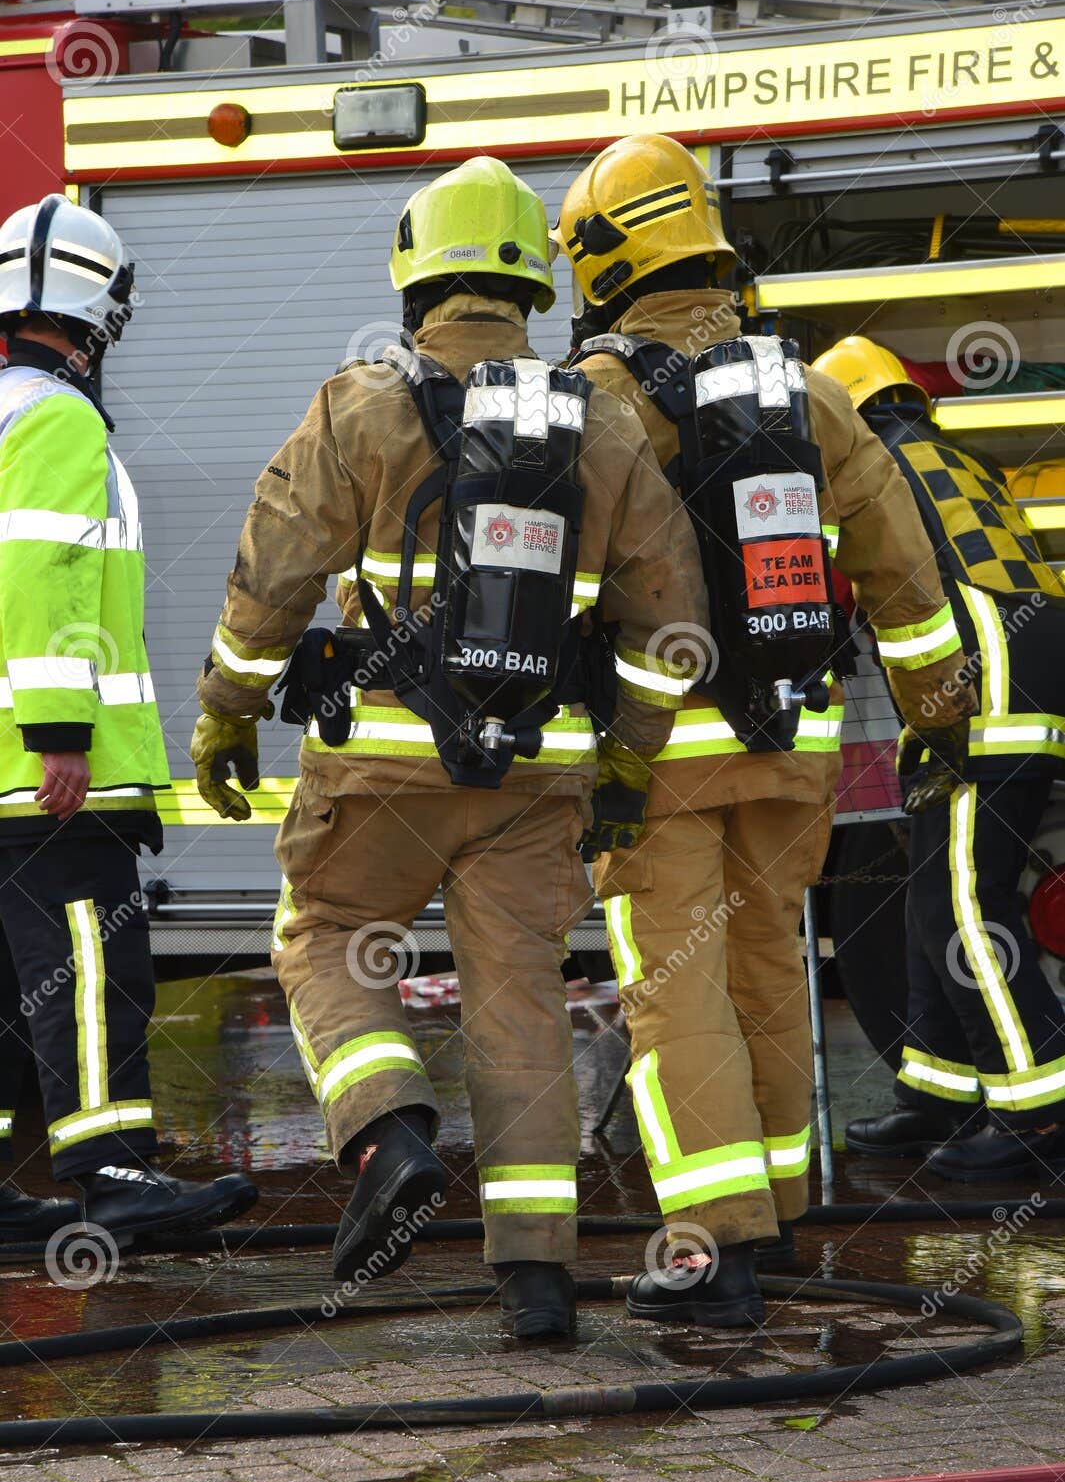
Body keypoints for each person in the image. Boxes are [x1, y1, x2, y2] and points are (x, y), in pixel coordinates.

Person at [190, 157, 707, 1340]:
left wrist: (228, 702)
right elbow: (669, 619)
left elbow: (274, 574)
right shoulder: (603, 422)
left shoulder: (361, 404)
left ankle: (391, 1133)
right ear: (534, 276)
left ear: (415, 270)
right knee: (518, 998)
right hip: (536, 776)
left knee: (321, 933)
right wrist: (628, 758)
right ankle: (535, 1279)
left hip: (379, 772)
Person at [554, 134, 972, 1328]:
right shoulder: (809, 391)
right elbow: (903, 574)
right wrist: (938, 720)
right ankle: (780, 1209)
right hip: (794, 746)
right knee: (768, 974)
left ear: (604, 257)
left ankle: (709, 1248)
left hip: (653, 759)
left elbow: (553, 590)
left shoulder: (596, 399)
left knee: (671, 992)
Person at [0, 194, 257, 1244]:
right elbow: (42, 573)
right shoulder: (54, 415)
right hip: (55, 772)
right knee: (92, 967)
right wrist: (59, 731)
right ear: (96, 308)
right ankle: (114, 1173)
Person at [815, 335, 1065, 1183]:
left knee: (965, 905)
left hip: (982, 684)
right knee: (931, 901)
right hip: (998, 673)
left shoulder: (871, 470)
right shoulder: (952, 458)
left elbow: (832, 584)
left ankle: (1039, 1114)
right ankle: (940, 1092)